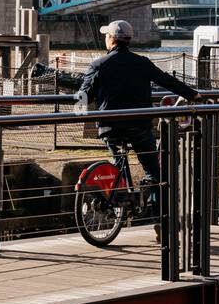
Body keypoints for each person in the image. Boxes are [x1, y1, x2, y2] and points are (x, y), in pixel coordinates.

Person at [77, 20, 198, 210]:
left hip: (109, 127)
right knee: (154, 172)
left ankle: (122, 198)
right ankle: (158, 216)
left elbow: (83, 96)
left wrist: (79, 109)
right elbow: (167, 81)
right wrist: (193, 94)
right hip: (139, 125)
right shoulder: (142, 63)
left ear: (111, 40)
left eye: (106, 36)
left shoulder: (98, 65)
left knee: (119, 162)